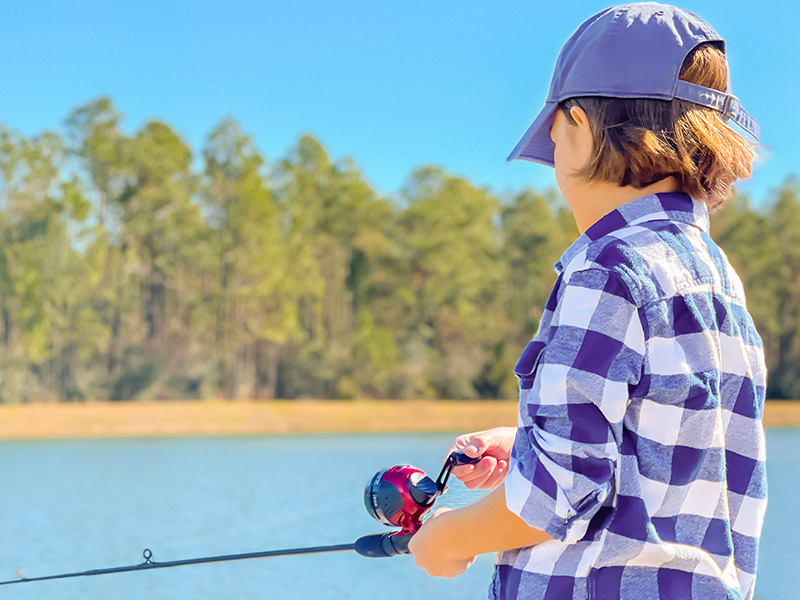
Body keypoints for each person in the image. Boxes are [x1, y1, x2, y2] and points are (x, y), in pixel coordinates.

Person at [407, 3, 767, 600]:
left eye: (555, 128)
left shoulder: (607, 269)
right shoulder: (717, 276)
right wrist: (527, 443)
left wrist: (450, 539)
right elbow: (664, 441)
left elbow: (557, 494)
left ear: (575, 124)